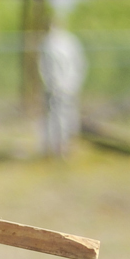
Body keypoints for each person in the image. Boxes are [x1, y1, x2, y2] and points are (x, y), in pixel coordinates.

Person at [39, 22, 88, 159]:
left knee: (68, 115)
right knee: (55, 116)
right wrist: (51, 84)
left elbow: (79, 63)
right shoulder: (49, 43)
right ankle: (55, 147)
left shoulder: (68, 42)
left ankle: (66, 145)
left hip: (67, 86)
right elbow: (44, 67)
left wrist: (73, 82)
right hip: (56, 87)